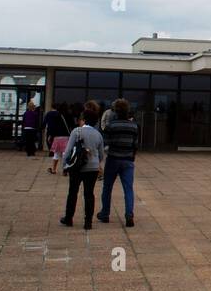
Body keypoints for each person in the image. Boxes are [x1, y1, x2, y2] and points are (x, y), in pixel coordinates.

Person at [61, 101, 105, 229]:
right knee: (89, 194)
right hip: (92, 168)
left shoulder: (76, 131)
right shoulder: (98, 135)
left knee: (73, 192)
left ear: (83, 119)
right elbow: (101, 154)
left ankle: (69, 218)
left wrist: (65, 165)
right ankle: (88, 222)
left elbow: (68, 151)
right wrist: (96, 162)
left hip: (77, 167)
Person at [98, 98, 139, 227]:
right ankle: (129, 214)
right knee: (128, 189)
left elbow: (106, 142)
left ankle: (105, 213)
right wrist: (132, 156)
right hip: (127, 160)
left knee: (107, 187)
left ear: (115, 111)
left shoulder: (112, 126)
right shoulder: (134, 126)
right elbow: (135, 145)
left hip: (113, 159)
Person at [43, 103, 70, 175]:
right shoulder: (63, 115)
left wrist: (50, 135)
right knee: (65, 154)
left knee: (56, 154)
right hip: (66, 136)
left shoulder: (52, 115)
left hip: (57, 137)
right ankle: (65, 169)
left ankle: (54, 169)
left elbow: (52, 127)